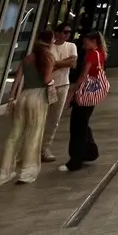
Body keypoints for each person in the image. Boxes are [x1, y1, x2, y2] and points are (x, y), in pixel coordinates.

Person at [0, 30, 55, 185]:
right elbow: (47, 79)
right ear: (49, 42)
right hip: (38, 96)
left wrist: (12, 97)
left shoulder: (27, 59)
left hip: (23, 96)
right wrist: (52, 85)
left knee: (14, 135)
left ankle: (4, 173)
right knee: (34, 133)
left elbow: (16, 81)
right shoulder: (49, 58)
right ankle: (27, 172)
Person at [61, 31, 107, 172]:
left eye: (86, 41)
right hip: (92, 94)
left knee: (77, 126)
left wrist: (71, 93)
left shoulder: (91, 54)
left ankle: (76, 159)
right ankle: (89, 151)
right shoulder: (100, 53)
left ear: (93, 41)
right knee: (83, 123)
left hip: (84, 93)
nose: (83, 44)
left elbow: (83, 75)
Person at [40, 24, 77, 163]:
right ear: (57, 33)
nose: (67, 34)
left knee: (54, 119)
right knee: (41, 117)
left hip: (62, 85)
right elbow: (45, 64)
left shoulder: (71, 46)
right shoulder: (49, 47)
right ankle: (35, 147)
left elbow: (72, 62)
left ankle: (45, 148)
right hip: (47, 86)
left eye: (69, 32)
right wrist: (60, 63)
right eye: (64, 32)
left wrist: (55, 63)